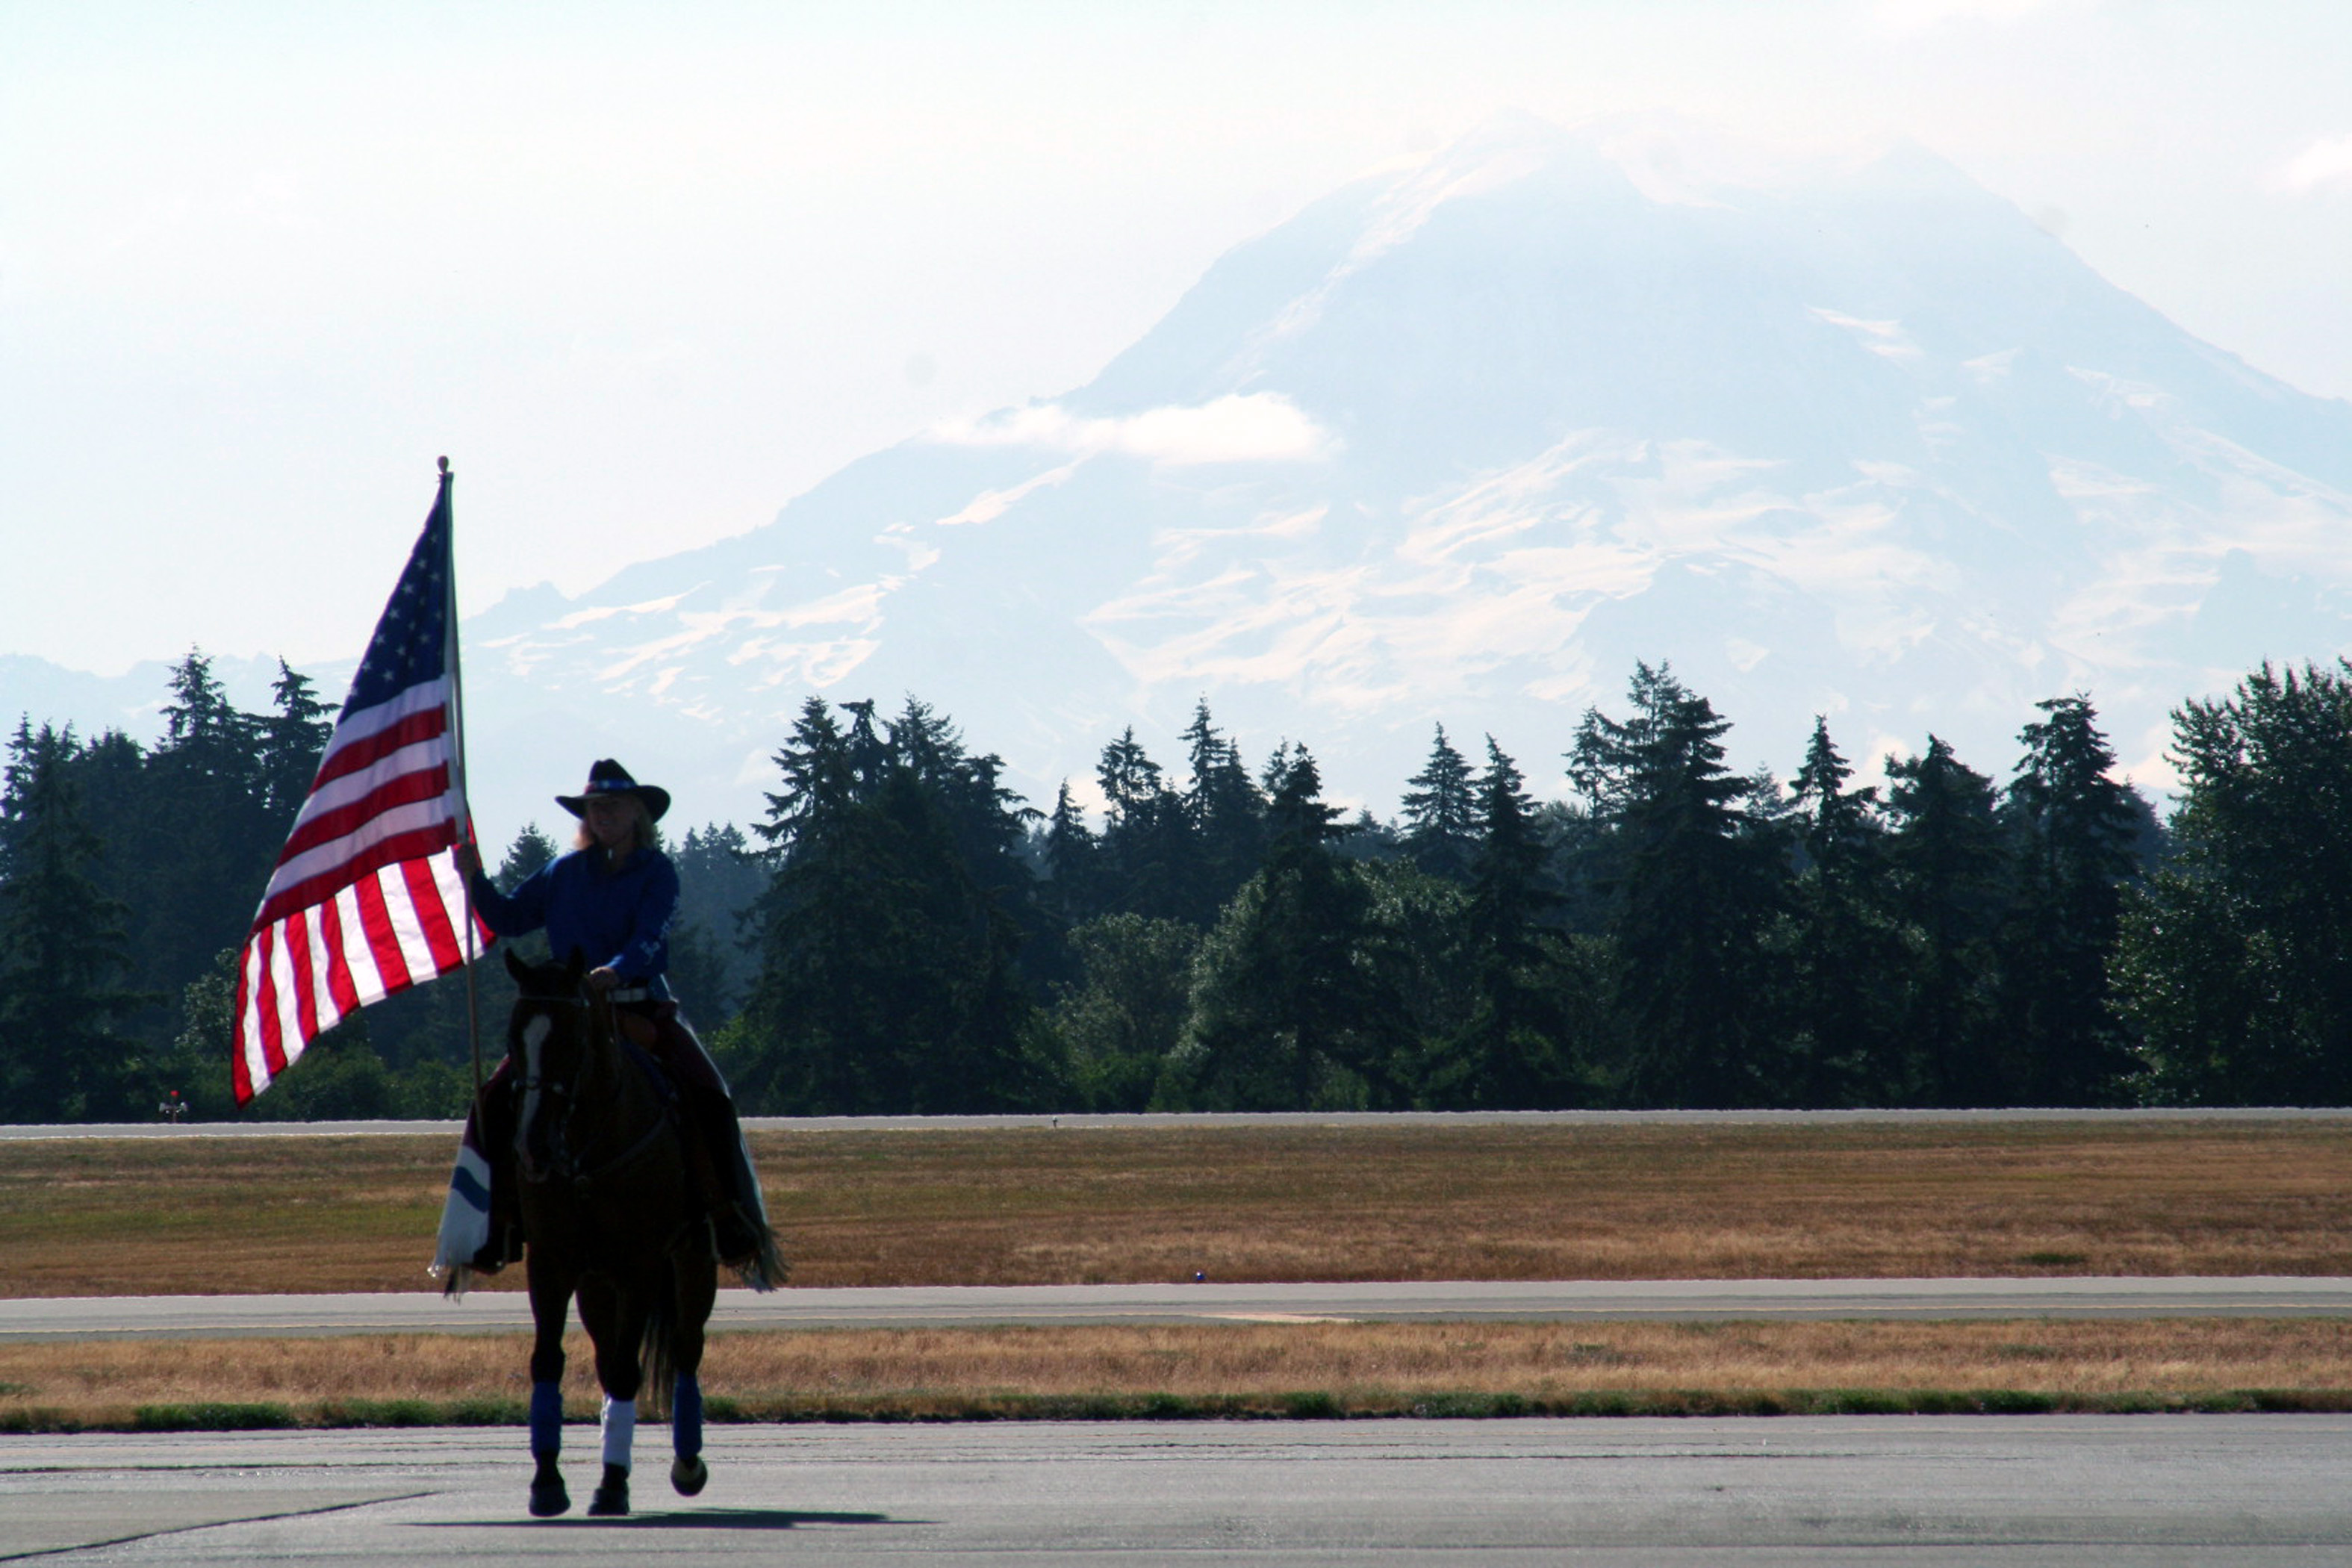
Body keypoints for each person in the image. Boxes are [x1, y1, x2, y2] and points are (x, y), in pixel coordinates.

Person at [453, 759, 782, 1288]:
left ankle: (731, 1218)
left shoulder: (657, 871)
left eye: (613, 806)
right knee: (495, 1098)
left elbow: (651, 935)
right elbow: (509, 918)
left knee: (708, 1095)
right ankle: (494, 1224)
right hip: (570, 1016)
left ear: (637, 813)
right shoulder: (562, 872)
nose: (602, 815)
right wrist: (474, 878)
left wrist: (617, 970)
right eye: (594, 808)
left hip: (638, 1007)